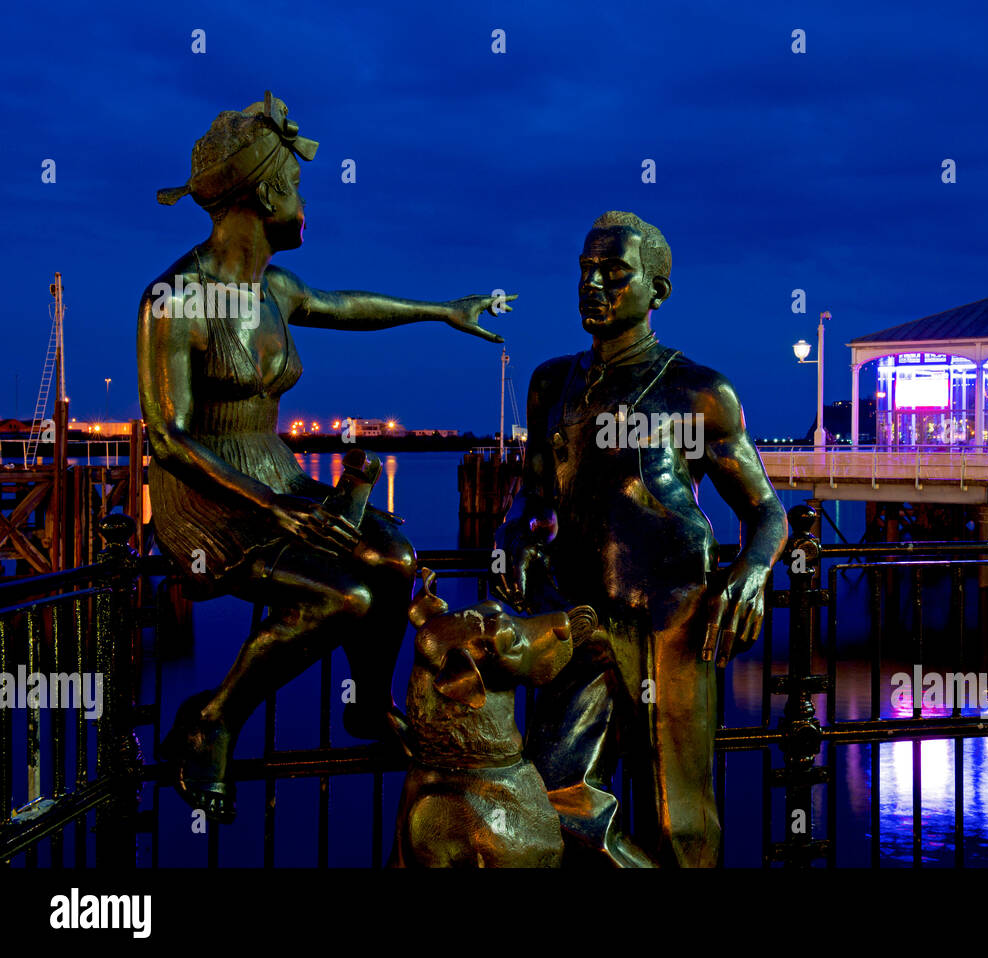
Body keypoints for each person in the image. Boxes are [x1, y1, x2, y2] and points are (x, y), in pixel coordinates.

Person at [139, 92, 514, 822]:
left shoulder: (275, 289)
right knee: (344, 595)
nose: (306, 203)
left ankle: (368, 709)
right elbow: (166, 437)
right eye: (299, 188)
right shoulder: (174, 299)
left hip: (275, 475)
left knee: (397, 555)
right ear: (267, 193)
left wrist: (441, 310)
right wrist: (273, 507)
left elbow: (347, 306)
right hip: (211, 501)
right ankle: (212, 720)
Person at [493, 211, 788, 867]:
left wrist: (753, 572)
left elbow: (765, 509)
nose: (593, 284)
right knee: (544, 795)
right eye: (586, 271)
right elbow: (538, 499)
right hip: (579, 618)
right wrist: (515, 531)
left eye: (615, 273)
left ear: (658, 291)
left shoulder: (697, 391)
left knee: (678, 815)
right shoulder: (550, 384)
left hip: (670, 618)